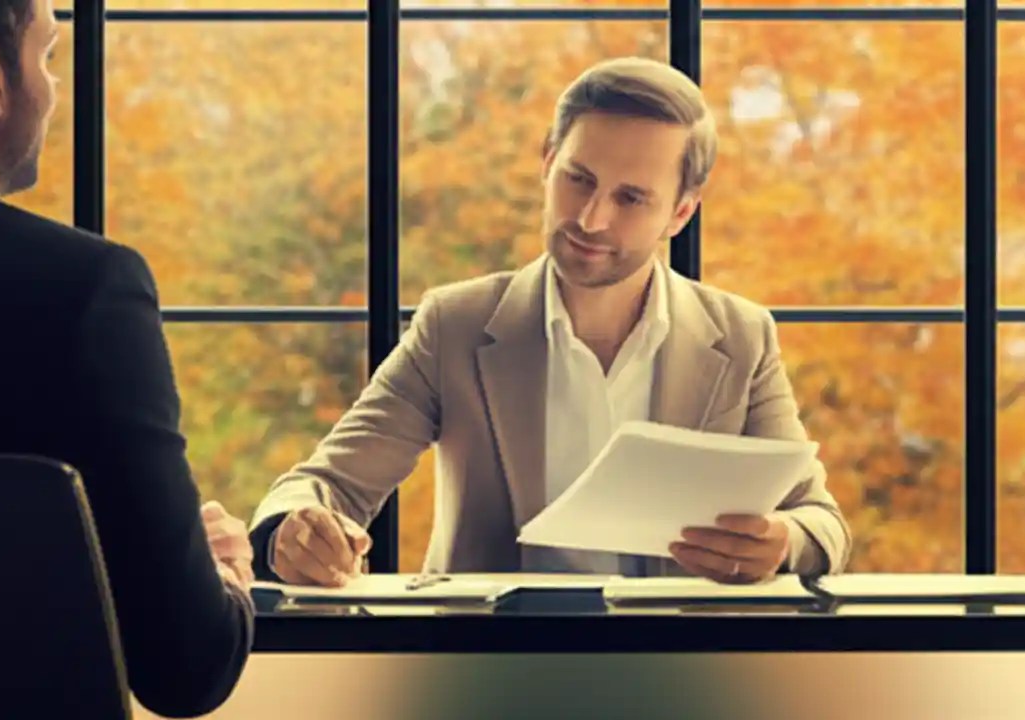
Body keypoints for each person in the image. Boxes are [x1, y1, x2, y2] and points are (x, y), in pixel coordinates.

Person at [250, 56, 852, 586]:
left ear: (681, 213)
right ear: (547, 162)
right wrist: (294, 531)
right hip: (491, 672)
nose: (591, 219)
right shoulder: (455, 326)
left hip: (679, 666)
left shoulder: (741, 336)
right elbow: (325, 485)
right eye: (579, 180)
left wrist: (781, 543)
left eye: (631, 198)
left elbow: (821, 524)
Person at [0, 0, 255, 716]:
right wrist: (222, 571)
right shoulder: (82, 289)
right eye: (46, 57)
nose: (52, 89)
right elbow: (187, 667)